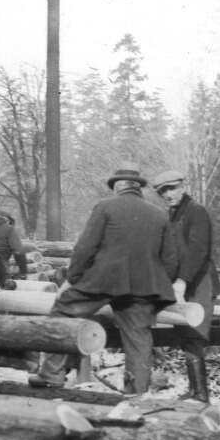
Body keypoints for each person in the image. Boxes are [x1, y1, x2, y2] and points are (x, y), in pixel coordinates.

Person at [30, 165, 178, 393]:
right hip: (143, 288)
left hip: (102, 280)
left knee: (62, 312)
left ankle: (51, 375)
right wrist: (154, 292)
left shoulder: (105, 207)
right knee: (138, 337)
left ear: (118, 187)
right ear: (138, 188)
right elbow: (170, 261)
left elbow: (85, 247)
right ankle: (137, 393)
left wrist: (71, 279)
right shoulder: (159, 215)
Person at [152, 169, 220, 400]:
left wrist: (182, 281)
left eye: (172, 189)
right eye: (163, 191)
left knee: (194, 333)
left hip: (199, 281)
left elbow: (198, 251)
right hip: (181, 283)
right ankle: (195, 390)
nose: (168, 194)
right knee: (185, 333)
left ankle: (200, 393)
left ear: (182, 187)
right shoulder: (170, 216)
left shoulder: (196, 212)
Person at [0, 209, 29, 279]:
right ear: (7, 220)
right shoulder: (9, 229)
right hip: (0, 268)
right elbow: (18, 251)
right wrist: (23, 272)